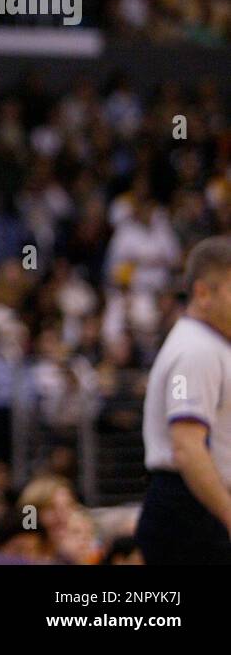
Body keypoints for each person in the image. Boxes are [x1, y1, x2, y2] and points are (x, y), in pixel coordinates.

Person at [136, 235, 231, 564]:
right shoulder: (195, 351)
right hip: (191, 511)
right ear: (203, 293)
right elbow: (187, 447)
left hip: (197, 507)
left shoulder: (211, 345)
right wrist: (228, 514)